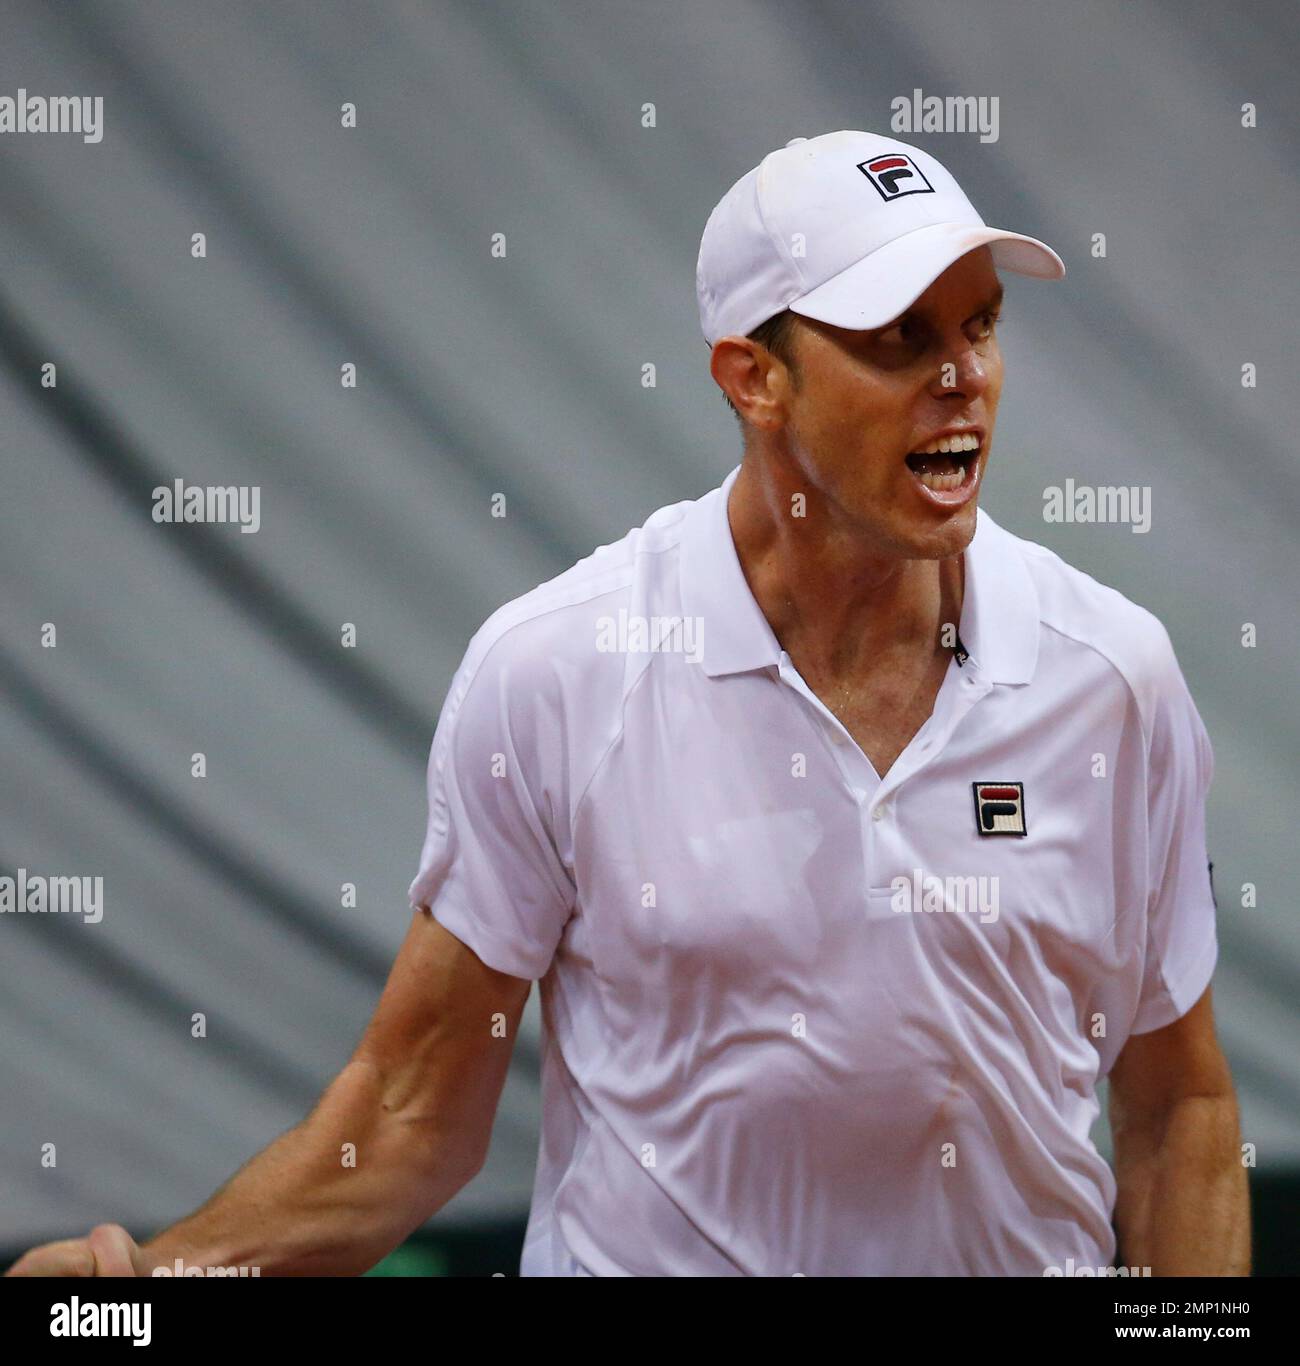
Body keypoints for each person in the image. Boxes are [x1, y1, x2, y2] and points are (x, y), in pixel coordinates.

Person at [7, 130, 1248, 1278]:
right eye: (896, 342)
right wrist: (140, 1294)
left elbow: (1178, 1109)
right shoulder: (558, 669)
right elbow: (405, 1118)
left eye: (978, 326)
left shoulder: (1112, 675)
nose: (962, 378)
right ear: (752, 379)